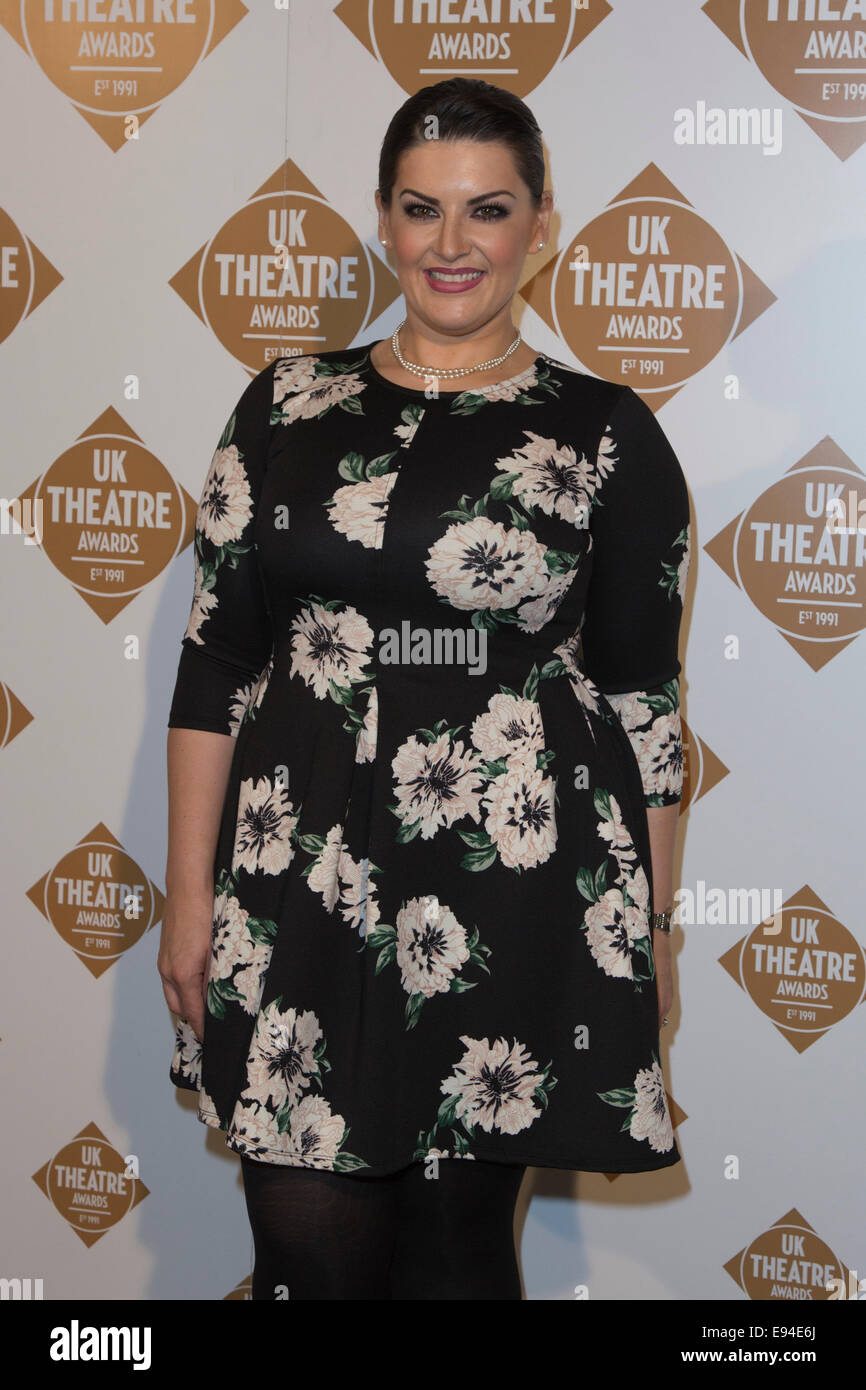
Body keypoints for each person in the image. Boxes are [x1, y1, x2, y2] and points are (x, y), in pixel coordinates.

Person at [158, 77, 690, 1302]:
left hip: (509, 896)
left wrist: (645, 938)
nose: (452, 245)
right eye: (421, 209)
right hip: (294, 886)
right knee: (302, 1254)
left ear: (540, 225)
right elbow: (217, 660)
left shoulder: (603, 434)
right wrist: (189, 896)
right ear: (384, 221)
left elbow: (641, 706)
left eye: (487, 211)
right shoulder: (284, 403)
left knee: (454, 1261)